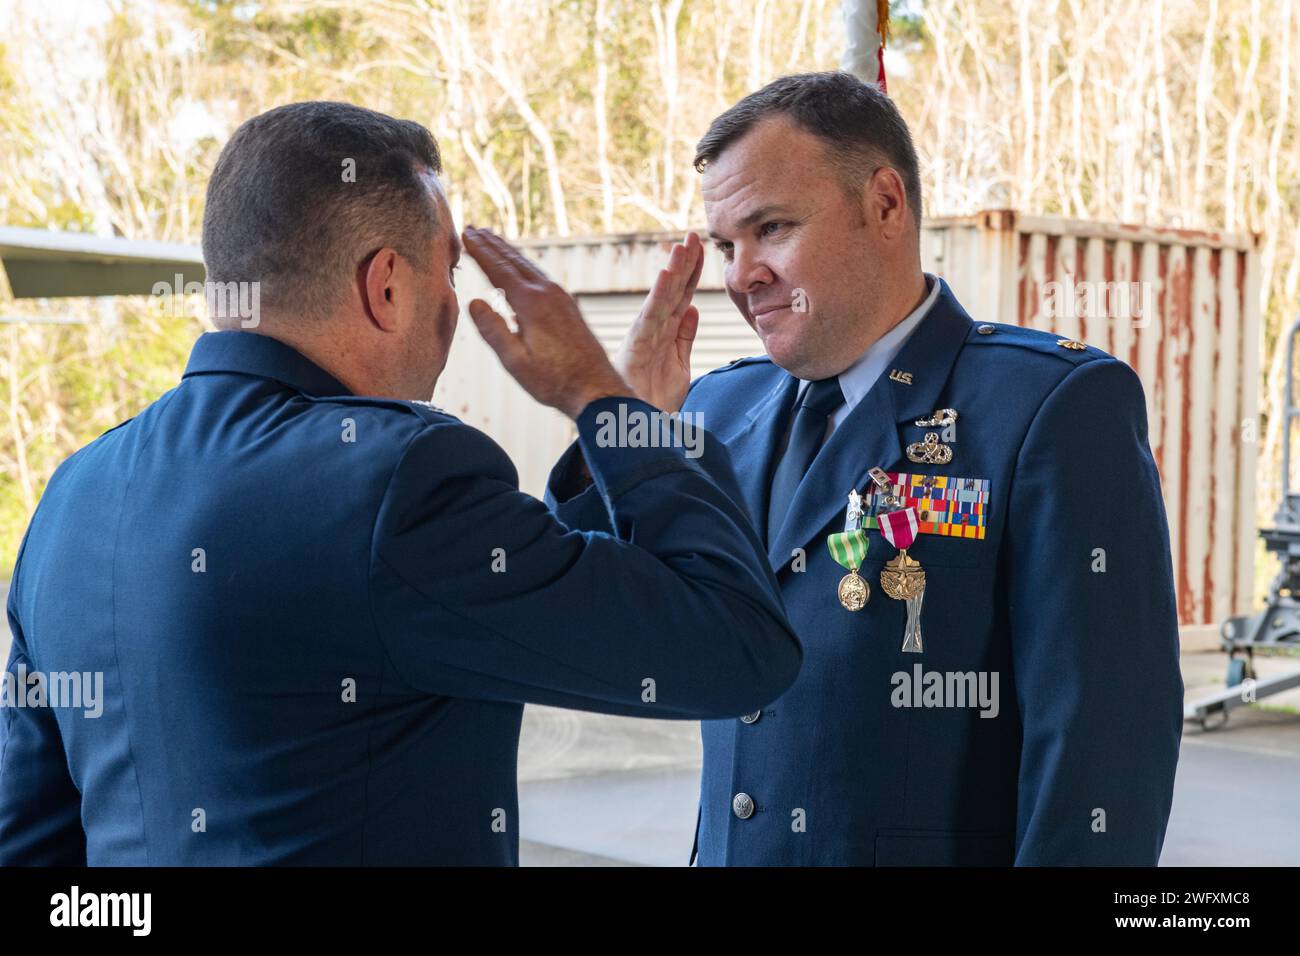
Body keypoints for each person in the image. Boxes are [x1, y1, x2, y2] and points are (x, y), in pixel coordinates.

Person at [0, 101, 801, 865]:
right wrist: (605, 403)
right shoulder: (396, 478)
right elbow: (735, 650)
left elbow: (29, 843)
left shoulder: (73, 493)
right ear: (385, 285)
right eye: (448, 271)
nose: (455, 304)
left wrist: (622, 441)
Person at [548, 72, 1184, 865]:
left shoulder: (1047, 407)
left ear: (885, 204)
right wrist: (621, 426)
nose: (741, 275)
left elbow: (1104, 744)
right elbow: (594, 628)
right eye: (724, 245)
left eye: (771, 227)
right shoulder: (714, 409)